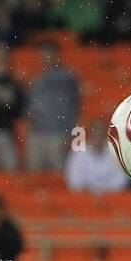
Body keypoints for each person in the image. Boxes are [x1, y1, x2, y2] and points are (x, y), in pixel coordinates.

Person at [25, 42, 81, 172]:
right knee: (34, 175)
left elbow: (74, 108)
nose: (45, 59)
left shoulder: (67, 79)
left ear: (57, 56)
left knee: (58, 175)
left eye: (49, 55)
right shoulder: (36, 79)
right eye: (43, 56)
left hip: (57, 133)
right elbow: (31, 106)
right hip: (37, 133)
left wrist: (69, 134)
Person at [64, 119, 130, 194]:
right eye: (95, 135)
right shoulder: (78, 153)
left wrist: (103, 191)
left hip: (111, 197)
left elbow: (121, 181)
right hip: (84, 197)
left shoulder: (116, 153)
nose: (98, 139)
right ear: (90, 136)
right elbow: (74, 180)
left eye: (101, 135)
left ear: (106, 136)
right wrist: (92, 191)